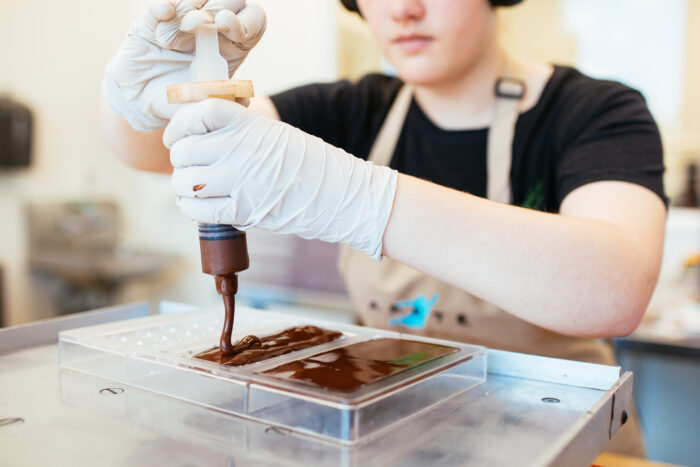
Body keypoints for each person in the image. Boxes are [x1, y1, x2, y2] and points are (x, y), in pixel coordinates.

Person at [100, 0, 666, 456]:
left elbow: (613, 288)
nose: (403, 9)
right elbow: (157, 153)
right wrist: (140, 102)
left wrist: (361, 199)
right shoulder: (354, 110)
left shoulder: (594, 111)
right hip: (398, 436)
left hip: (569, 441)